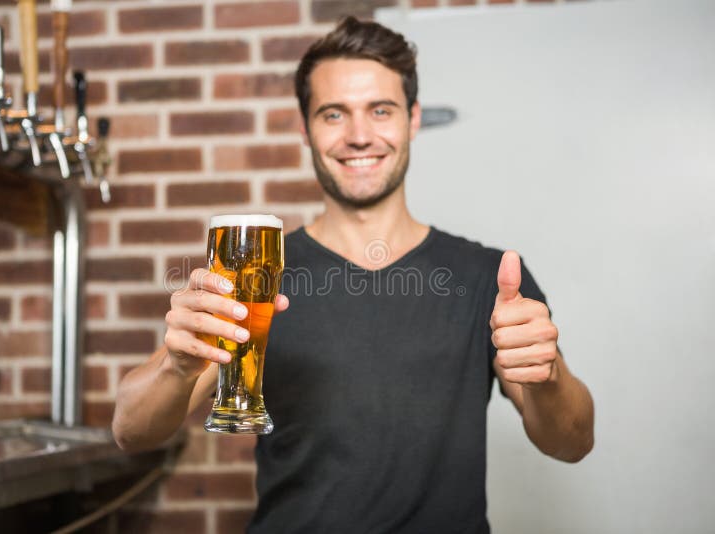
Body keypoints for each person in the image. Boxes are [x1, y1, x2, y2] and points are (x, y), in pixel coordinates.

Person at [113, 16, 594, 533]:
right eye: (334, 114)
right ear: (305, 129)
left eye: (380, 110)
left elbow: (572, 442)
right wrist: (177, 368)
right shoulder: (257, 278)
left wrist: (548, 375)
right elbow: (131, 430)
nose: (360, 136)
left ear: (412, 120)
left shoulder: (489, 280)